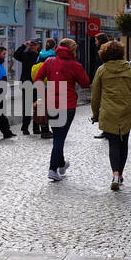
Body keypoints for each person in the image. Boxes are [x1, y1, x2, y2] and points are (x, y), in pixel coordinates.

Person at [91, 39, 131, 191]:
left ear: (105, 54)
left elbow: (95, 95)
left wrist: (95, 114)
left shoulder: (101, 70)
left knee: (113, 143)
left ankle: (115, 173)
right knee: (124, 142)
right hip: (126, 110)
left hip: (108, 111)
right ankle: (120, 174)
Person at [39, 37, 90, 182]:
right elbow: (85, 82)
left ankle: (61, 164)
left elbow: (38, 78)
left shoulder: (49, 62)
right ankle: (52, 169)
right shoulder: (74, 65)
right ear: (73, 50)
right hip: (67, 105)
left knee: (57, 137)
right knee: (59, 138)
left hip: (51, 104)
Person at [13, 38, 41, 135]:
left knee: (37, 106)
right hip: (27, 83)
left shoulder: (40, 56)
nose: (32, 46)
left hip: (38, 84)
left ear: (38, 46)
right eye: (31, 44)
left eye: (34, 44)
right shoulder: (25, 55)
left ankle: (36, 127)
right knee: (27, 106)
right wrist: (24, 45)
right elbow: (15, 55)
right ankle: (25, 127)